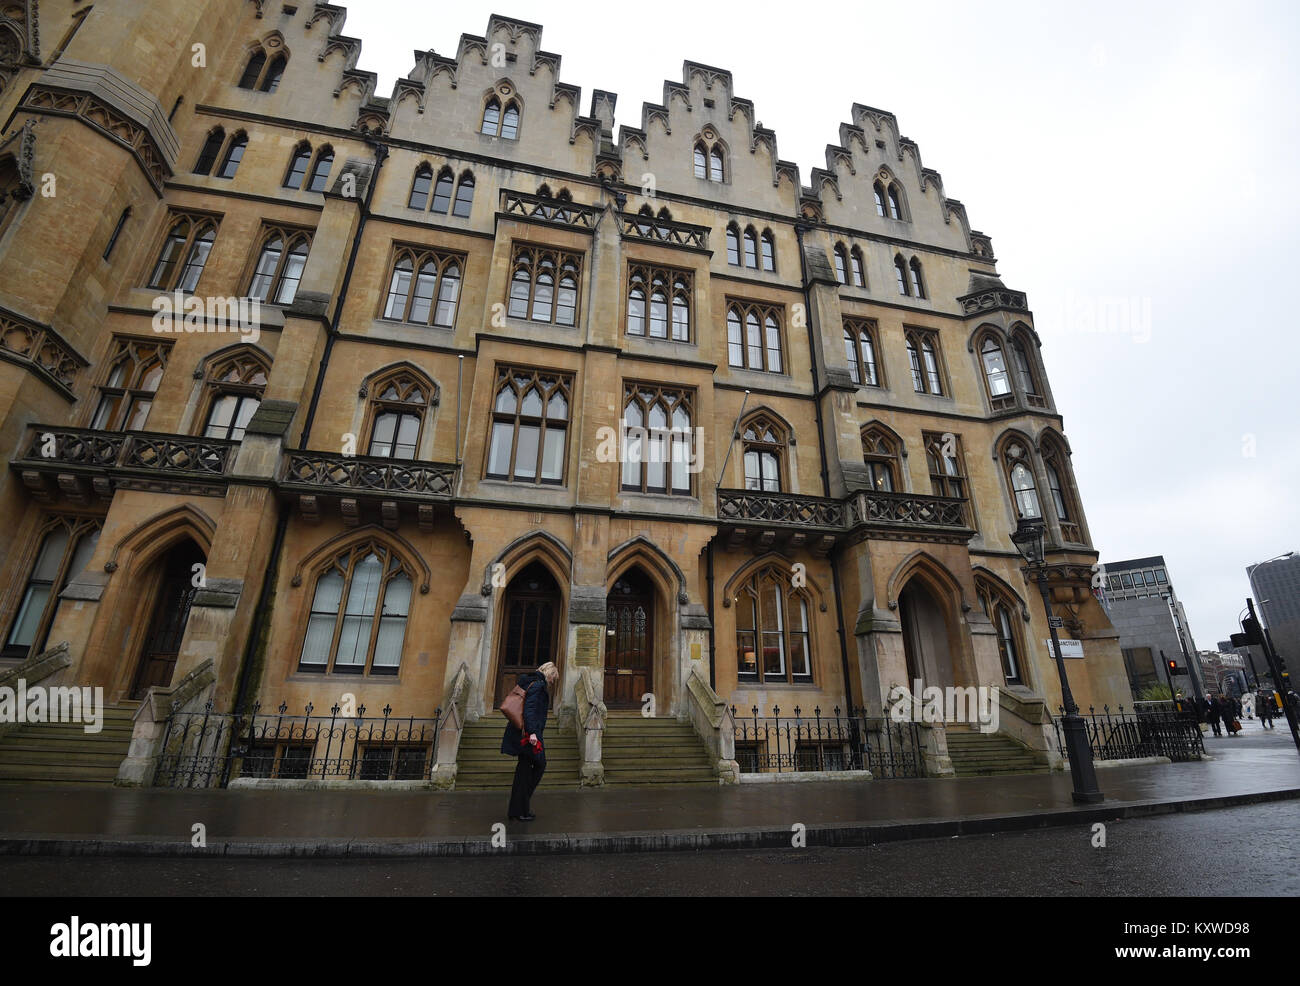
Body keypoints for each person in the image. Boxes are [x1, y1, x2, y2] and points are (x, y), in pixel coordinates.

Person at [501, 661, 558, 822]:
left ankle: (519, 809)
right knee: (539, 765)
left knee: (524, 771)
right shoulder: (538, 685)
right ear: (549, 674)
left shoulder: (530, 681)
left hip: (523, 733)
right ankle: (521, 807)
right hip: (528, 736)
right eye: (554, 677)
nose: (553, 681)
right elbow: (530, 709)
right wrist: (532, 733)